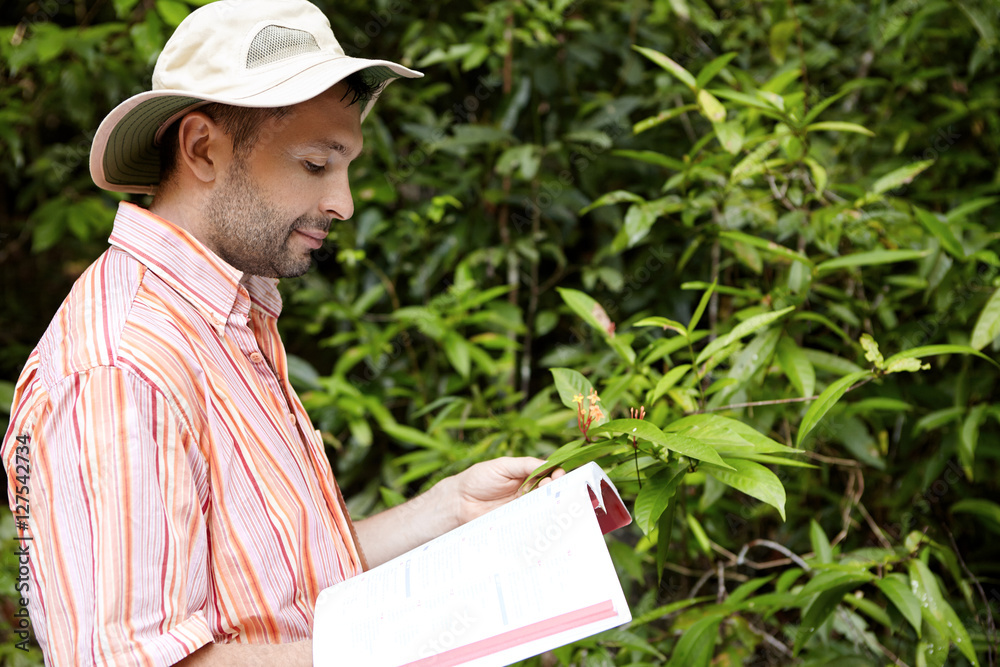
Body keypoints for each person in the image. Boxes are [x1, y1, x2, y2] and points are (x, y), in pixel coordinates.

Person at [1, 1, 561, 664]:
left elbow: (282, 583)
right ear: (203, 148)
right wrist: (419, 635)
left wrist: (450, 507)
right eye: (317, 166)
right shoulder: (122, 368)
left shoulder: (223, 317)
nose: (344, 204)